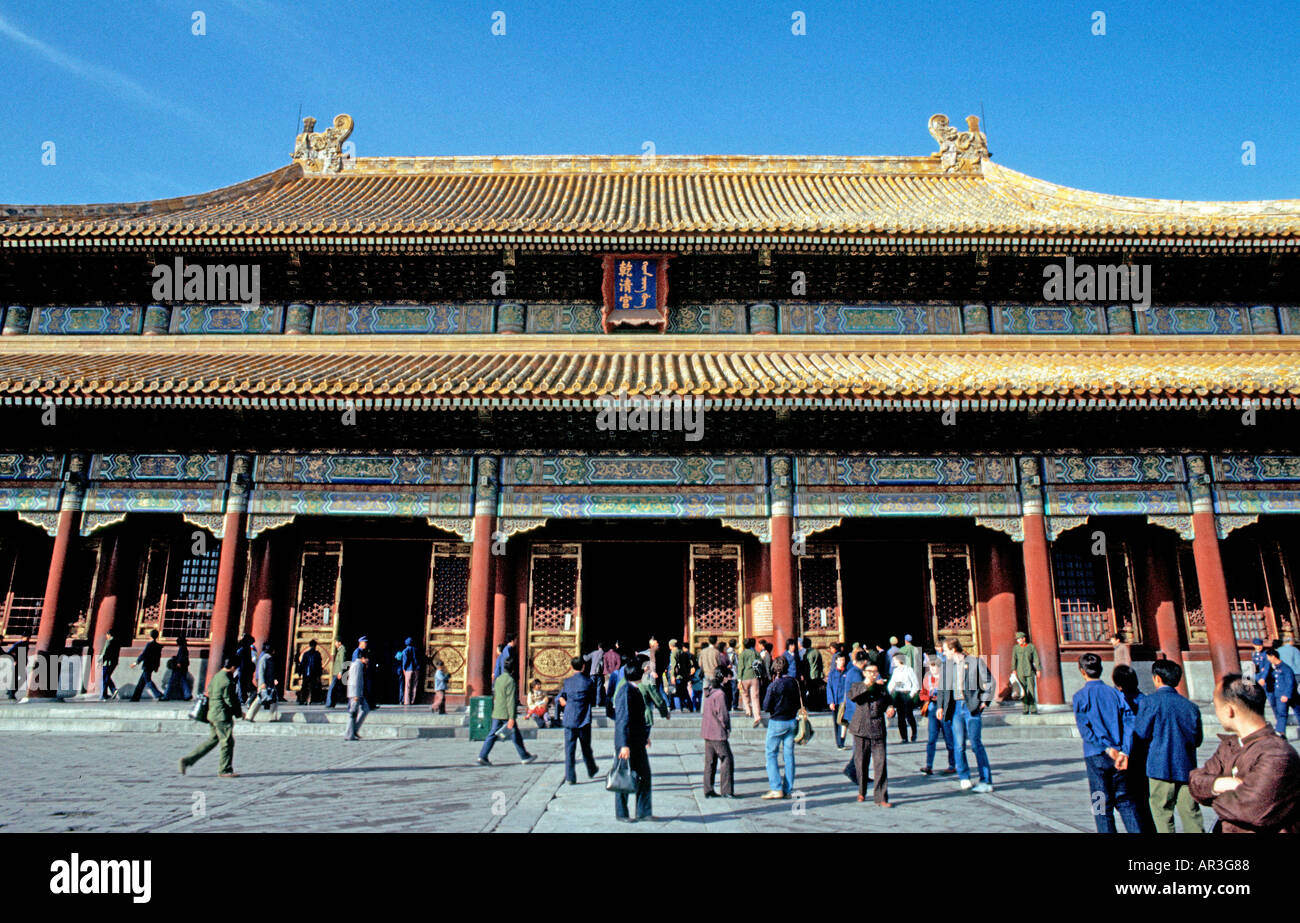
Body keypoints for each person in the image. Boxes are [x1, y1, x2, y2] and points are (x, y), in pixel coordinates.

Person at [1190, 674, 1300, 833]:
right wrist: (1220, 784)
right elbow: (1195, 781)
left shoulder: (1277, 753)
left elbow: (1252, 810)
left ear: (1229, 710)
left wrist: (1212, 792)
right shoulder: (1229, 745)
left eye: (1216, 704)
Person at [1072, 652, 1142, 833]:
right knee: (1126, 801)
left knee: (1100, 805)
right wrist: (1124, 751)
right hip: (1119, 755)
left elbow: (1085, 732)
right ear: (1101, 669)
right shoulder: (1115, 693)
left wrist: (1105, 747)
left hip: (1096, 755)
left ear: (1082, 671)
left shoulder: (1080, 697)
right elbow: (1129, 722)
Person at [1132, 659, 1204, 833]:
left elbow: (1141, 733)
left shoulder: (1149, 702)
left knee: (1162, 813)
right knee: (1191, 813)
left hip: (1159, 767)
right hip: (1186, 767)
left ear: (1156, 678)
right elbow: (1198, 740)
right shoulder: (1191, 707)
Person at [936, 640, 994, 793]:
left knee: (976, 744)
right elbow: (942, 688)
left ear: (953, 649)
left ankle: (986, 781)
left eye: (945, 650)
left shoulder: (974, 662)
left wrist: (985, 701)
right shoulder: (946, 666)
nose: (943, 653)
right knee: (959, 744)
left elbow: (989, 681)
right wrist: (940, 706)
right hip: (955, 708)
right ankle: (964, 777)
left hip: (970, 707)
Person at [179, 656, 242, 777]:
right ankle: (225, 770)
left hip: (212, 713)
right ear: (233, 667)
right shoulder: (227, 681)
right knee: (227, 742)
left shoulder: (217, 677)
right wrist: (239, 713)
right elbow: (230, 700)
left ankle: (188, 760)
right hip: (221, 715)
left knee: (213, 740)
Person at [848, 662, 895, 806]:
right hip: (861, 729)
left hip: (877, 728)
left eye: (875, 672)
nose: (873, 674)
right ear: (864, 673)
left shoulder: (882, 688)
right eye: (870, 672)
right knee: (861, 762)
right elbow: (854, 697)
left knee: (881, 763)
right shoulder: (857, 686)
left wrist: (890, 709)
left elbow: (889, 702)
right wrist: (867, 685)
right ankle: (862, 790)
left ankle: (881, 797)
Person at [612, 654, 652, 822]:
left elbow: (637, 719)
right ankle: (622, 814)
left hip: (637, 741)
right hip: (627, 743)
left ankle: (644, 812)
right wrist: (623, 745)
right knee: (623, 776)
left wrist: (644, 737)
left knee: (644, 775)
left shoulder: (634, 690)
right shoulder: (625, 692)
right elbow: (623, 719)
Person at [478, 656, 536, 765]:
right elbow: (511, 701)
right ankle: (524, 756)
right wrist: (511, 717)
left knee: (493, 734)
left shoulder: (498, 679)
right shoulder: (510, 681)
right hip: (506, 714)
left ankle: (482, 755)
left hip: (497, 711)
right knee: (514, 734)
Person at [761, 655, 800, 800]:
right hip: (792, 720)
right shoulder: (794, 682)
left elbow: (766, 706)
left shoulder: (774, 685)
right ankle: (788, 788)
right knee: (789, 755)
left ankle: (776, 787)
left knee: (771, 753)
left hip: (777, 721)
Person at [557, 656, 598, 784]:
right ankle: (591, 769)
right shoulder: (589, 682)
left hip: (569, 718)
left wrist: (564, 701)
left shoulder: (567, 681)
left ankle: (570, 777)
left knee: (569, 750)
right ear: (584, 666)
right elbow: (593, 699)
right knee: (586, 747)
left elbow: (561, 696)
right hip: (584, 719)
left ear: (571, 667)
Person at [702, 669, 736, 798]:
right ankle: (726, 790)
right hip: (717, 731)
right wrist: (727, 727)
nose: (729, 680)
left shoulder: (709, 692)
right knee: (726, 758)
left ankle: (708, 789)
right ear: (723, 678)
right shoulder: (720, 694)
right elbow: (723, 714)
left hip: (707, 730)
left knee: (710, 761)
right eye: (727, 677)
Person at [919, 656, 956, 775]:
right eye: (931, 667)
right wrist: (928, 697)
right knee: (931, 738)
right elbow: (922, 693)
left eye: (935, 667)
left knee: (949, 738)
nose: (933, 669)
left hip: (945, 708)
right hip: (932, 707)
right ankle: (929, 765)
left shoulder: (946, 679)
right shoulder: (927, 678)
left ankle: (952, 764)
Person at [887, 652, 919, 742]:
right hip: (898, 694)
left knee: (909, 715)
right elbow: (892, 683)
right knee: (900, 717)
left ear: (899, 660)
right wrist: (888, 692)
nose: (893, 662)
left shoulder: (909, 670)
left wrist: (911, 695)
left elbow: (915, 684)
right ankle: (904, 737)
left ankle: (914, 733)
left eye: (894, 660)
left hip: (907, 693)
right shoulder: (896, 671)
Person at [1264, 649, 1297, 735]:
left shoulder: (1285, 668)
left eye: (1268, 657)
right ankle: (1280, 733)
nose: (1268, 659)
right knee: (1281, 713)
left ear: (1273, 656)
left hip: (1286, 695)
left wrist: (1286, 694)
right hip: (1279, 695)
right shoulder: (1274, 668)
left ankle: (1280, 732)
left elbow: (1290, 682)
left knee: (1296, 711)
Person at [245, 641, 279, 722]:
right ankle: (250, 716)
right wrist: (262, 682)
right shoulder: (265, 659)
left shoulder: (269, 658)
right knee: (260, 699)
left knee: (273, 699)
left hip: (269, 683)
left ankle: (272, 717)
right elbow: (261, 671)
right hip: (265, 683)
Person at [1010, 631, 1041, 714]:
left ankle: (1033, 708)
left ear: (1024, 638)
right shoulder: (1016, 648)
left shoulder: (1031, 647)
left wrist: (1038, 670)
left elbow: (1036, 658)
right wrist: (1013, 670)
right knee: (1023, 691)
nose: (1018, 641)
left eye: (1019, 639)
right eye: (1017, 639)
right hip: (1020, 672)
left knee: (1031, 690)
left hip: (1030, 671)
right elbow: (1013, 659)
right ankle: (1025, 708)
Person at [130, 629, 165, 701]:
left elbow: (144, 654)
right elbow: (158, 657)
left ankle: (158, 694)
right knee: (141, 682)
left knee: (147, 680)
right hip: (152, 666)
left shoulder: (149, 645)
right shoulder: (158, 646)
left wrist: (136, 662)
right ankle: (135, 697)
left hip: (147, 665)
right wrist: (157, 666)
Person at [344, 649, 370, 740]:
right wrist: (355, 695)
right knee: (353, 713)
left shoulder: (360, 665)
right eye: (367, 658)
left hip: (359, 693)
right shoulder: (357, 665)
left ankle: (354, 730)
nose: (368, 660)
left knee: (365, 709)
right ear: (363, 658)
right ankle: (349, 734)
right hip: (355, 693)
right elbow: (354, 680)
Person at [826, 652, 849, 750]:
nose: (841, 662)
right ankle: (838, 742)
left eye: (843, 660)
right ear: (836, 661)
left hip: (844, 701)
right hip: (835, 701)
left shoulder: (847, 672)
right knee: (836, 722)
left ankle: (842, 741)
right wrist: (830, 701)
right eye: (840, 660)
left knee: (843, 721)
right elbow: (829, 687)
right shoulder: (832, 673)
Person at [164, 636, 191, 701]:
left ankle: (166, 696)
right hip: (184, 667)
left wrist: (178, 663)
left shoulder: (182, 648)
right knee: (183, 681)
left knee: (171, 681)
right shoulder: (184, 648)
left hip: (179, 668)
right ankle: (187, 695)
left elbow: (181, 658)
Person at [296, 639, 323, 705]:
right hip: (309, 672)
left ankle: (307, 700)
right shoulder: (311, 654)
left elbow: (319, 665)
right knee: (306, 687)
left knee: (309, 687)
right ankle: (304, 700)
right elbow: (303, 663)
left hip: (310, 673)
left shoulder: (313, 654)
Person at [96, 630, 120, 701]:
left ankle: (103, 695)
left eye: (107, 635)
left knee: (104, 678)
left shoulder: (108, 641)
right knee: (107, 677)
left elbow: (105, 652)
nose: (106, 637)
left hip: (107, 662)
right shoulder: (117, 642)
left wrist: (99, 660)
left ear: (109, 635)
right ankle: (112, 690)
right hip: (114, 662)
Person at [396, 637, 420, 705]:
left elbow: (405, 661)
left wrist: (404, 669)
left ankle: (407, 701)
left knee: (407, 686)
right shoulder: (416, 650)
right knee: (415, 685)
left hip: (408, 670)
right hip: (416, 669)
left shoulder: (405, 651)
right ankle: (413, 700)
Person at [804, 638, 825, 711]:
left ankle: (813, 707)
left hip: (810, 676)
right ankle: (819, 706)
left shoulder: (807, 653)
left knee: (811, 692)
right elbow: (821, 664)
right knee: (817, 691)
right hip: (817, 675)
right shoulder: (817, 651)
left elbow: (806, 666)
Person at [235, 633, 256, 705]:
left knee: (241, 683)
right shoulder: (246, 648)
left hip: (242, 668)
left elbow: (238, 657)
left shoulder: (243, 648)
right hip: (244, 668)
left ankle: (242, 698)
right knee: (242, 683)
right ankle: (243, 697)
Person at [326, 639, 348, 708]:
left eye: (336, 642)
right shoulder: (340, 650)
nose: (335, 644)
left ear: (339, 642)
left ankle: (329, 703)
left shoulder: (342, 651)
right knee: (335, 688)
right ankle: (332, 703)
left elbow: (342, 661)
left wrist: (340, 672)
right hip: (337, 672)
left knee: (332, 688)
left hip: (337, 672)